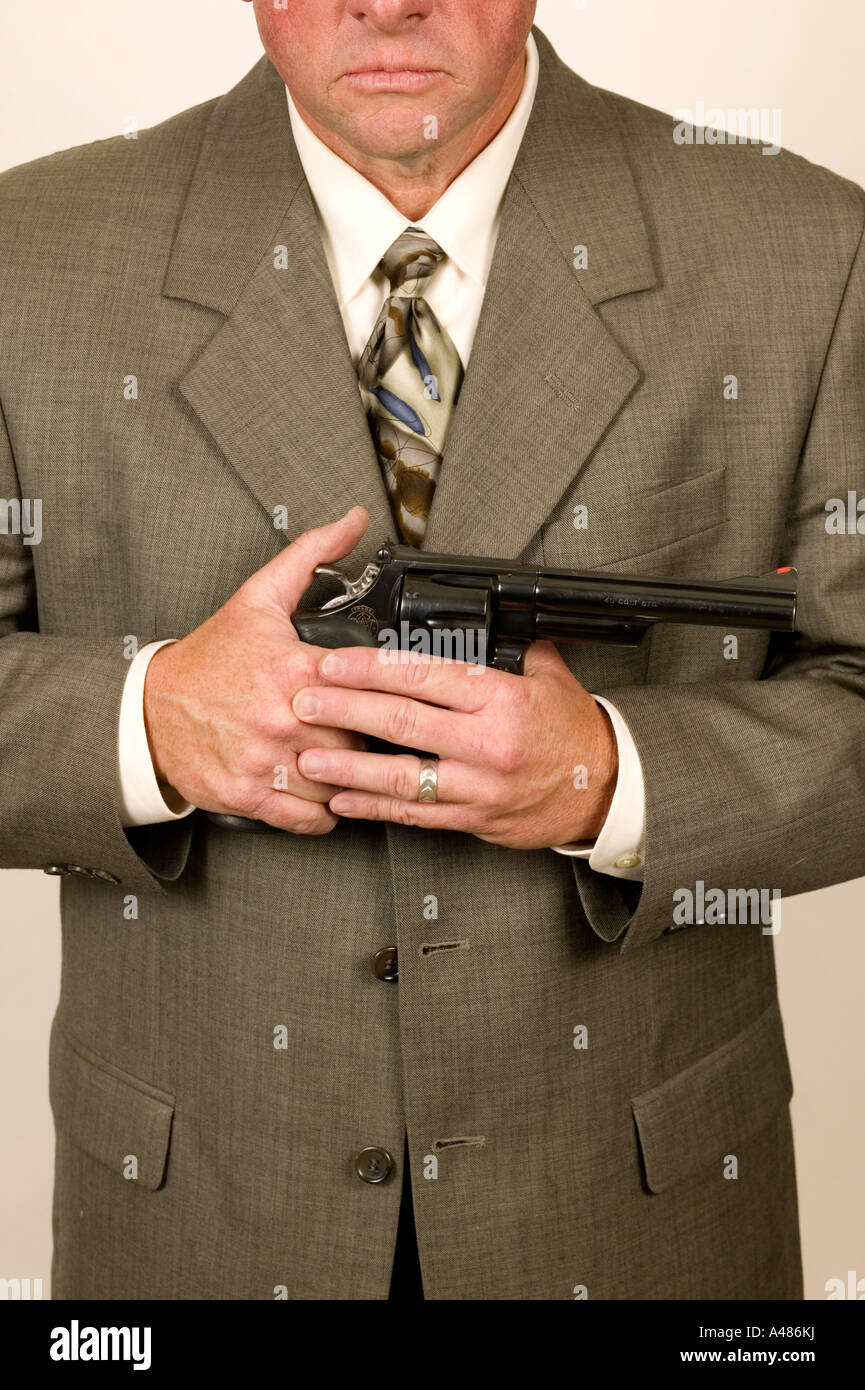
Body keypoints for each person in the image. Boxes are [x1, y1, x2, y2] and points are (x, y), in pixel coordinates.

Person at [1, 0, 863, 1301]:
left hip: (639, 1216)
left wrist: (614, 777)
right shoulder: (29, 254)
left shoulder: (811, 248)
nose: (385, 0)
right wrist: (150, 721)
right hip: (194, 1219)